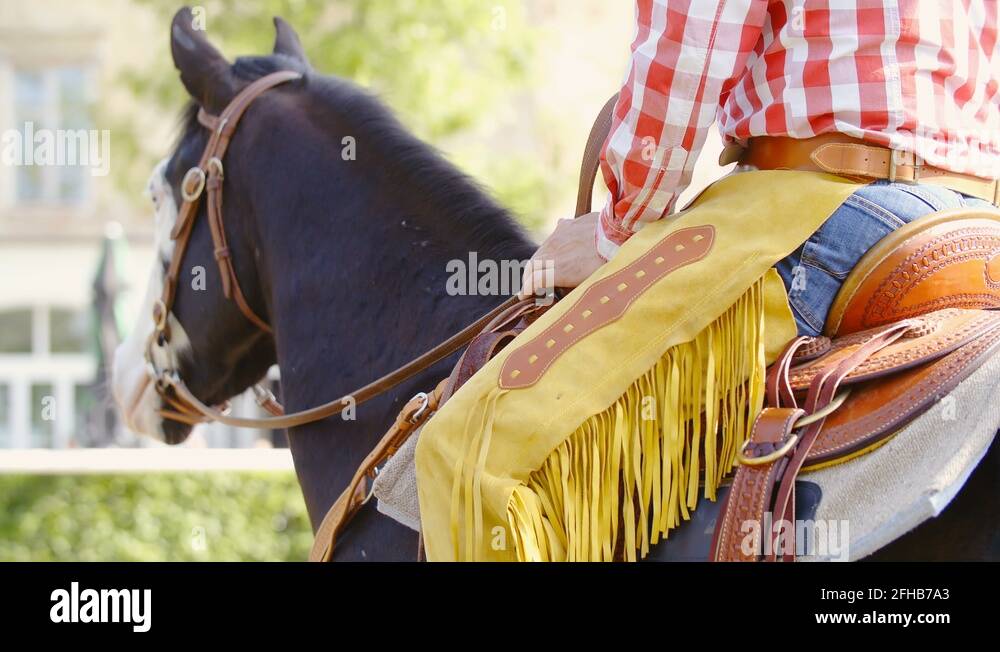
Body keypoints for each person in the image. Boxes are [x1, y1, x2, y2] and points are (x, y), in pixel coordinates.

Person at [522, 0, 999, 336]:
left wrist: (618, 236)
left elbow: (689, 47)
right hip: (976, 226)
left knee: (559, 403)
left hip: (831, 213)